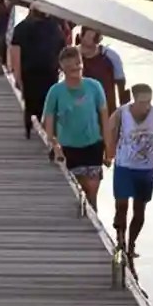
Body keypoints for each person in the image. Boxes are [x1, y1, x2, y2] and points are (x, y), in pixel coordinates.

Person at [106, 83, 153, 260]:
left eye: (149, 101)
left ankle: (131, 244)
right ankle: (120, 239)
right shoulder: (122, 113)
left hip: (146, 169)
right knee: (122, 206)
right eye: (142, 102)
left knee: (140, 210)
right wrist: (109, 151)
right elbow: (109, 130)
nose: (146, 106)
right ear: (134, 99)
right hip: (124, 167)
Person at [41, 46, 110, 208]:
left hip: (93, 145)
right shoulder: (55, 91)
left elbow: (104, 119)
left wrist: (109, 149)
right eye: (71, 67)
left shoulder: (94, 87)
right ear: (63, 69)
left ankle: (93, 221)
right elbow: (48, 124)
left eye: (78, 64)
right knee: (77, 190)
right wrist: (54, 145)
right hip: (69, 148)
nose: (76, 69)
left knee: (92, 191)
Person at [10, 4, 66, 141]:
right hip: (47, 71)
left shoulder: (21, 28)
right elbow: (61, 49)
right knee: (47, 105)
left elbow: (15, 53)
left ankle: (35, 130)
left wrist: (17, 76)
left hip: (32, 72)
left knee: (31, 103)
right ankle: (48, 135)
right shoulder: (54, 27)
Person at [79, 27, 129, 114]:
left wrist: (123, 111)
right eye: (86, 38)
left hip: (107, 107)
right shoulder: (74, 55)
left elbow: (121, 83)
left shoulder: (111, 56)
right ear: (81, 37)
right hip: (81, 107)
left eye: (93, 39)